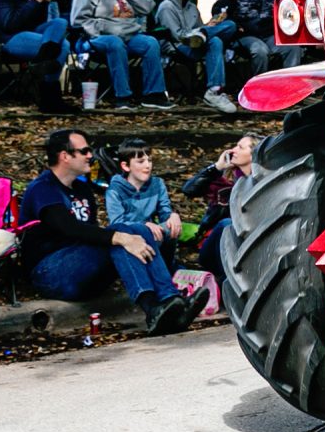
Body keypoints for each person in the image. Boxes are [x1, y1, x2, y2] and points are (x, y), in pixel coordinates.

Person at [21, 129, 204, 334]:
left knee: (133, 230)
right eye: (84, 151)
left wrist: (126, 236)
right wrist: (120, 237)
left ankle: (170, 301)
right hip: (50, 273)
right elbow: (68, 228)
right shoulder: (43, 188)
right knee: (121, 234)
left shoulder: (82, 189)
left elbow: (92, 233)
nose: (91, 155)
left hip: (83, 269)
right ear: (65, 156)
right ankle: (153, 308)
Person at [71, 0, 172, 111]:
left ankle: (153, 95)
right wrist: (111, 27)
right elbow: (79, 22)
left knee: (150, 43)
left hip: (128, 36)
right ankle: (123, 97)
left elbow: (148, 7)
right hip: (95, 39)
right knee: (115, 43)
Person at [154, 0, 239, 112]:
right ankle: (215, 90)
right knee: (213, 39)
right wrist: (202, 31)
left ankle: (214, 90)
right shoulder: (166, 7)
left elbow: (200, 29)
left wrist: (209, 26)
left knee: (228, 27)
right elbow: (177, 35)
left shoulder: (192, 7)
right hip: (178, 46)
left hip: (198, 42)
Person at [182, 133, 257, 293]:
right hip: (214, 246)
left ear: (253, 154)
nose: (233, 149)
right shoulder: (224, 180)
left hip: (245, 248)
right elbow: (188, 190)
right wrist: (216, 167)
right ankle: (229, 285)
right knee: (226, 225)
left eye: (240, 147)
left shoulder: (260, 184)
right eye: (236, 145)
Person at [104, 139, 185, 257]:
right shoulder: (115, 190)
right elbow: (117, 223)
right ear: (126, 166)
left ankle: (168, 267)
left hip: (153, 232)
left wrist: (172, 216)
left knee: (171, 227)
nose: (147, 166)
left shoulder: (157, 184)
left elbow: (164, 211)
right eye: (141, 161)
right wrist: (143, 225)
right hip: (128, 235)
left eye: (150, 160)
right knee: (150, 236)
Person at [221, 0, 302, 72]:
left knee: (293, 48)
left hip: (269, 36)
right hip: (245, 37)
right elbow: (219, 12)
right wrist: (236, 25)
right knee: (260, 51)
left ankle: (292, 84)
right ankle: (260, 85)